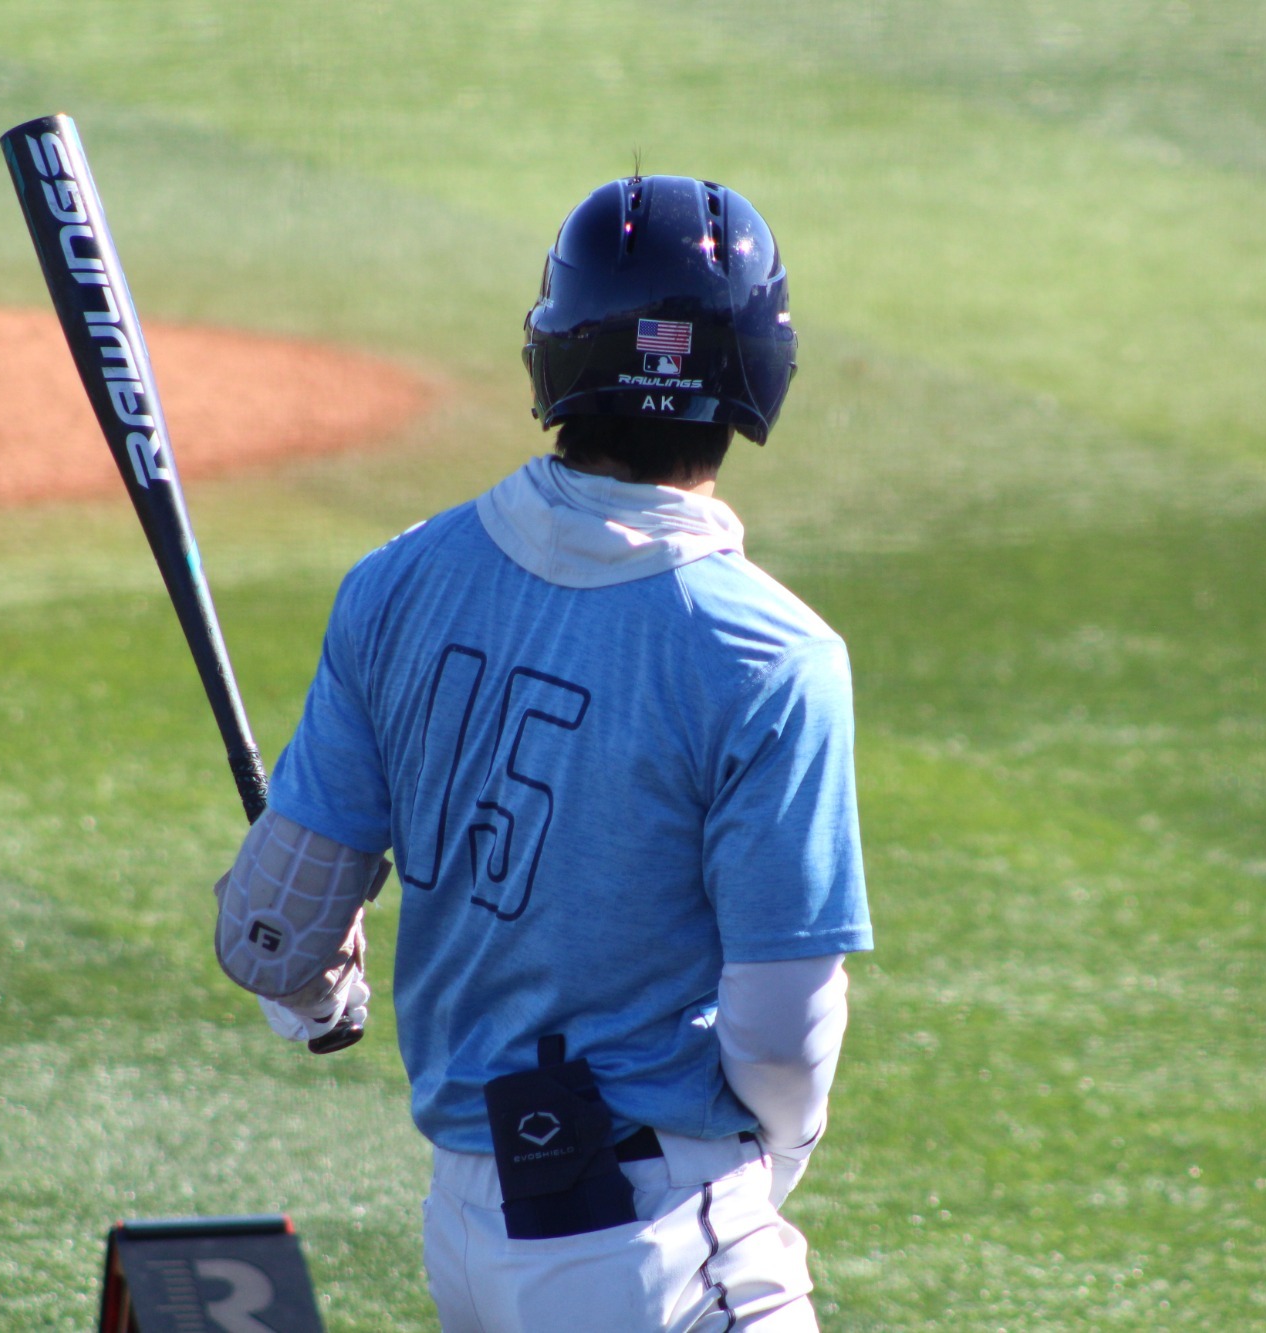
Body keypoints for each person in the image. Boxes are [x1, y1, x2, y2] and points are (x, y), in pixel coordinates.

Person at [213, 174, 871, 1332]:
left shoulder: (397, 581)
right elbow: (781, 1023)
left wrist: (317, 995)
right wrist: (762, 1165)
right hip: (656, 1237)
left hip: (467, 1238)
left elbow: (273, 935)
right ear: (758, 367)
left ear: (556, 351)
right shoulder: (771, 656)